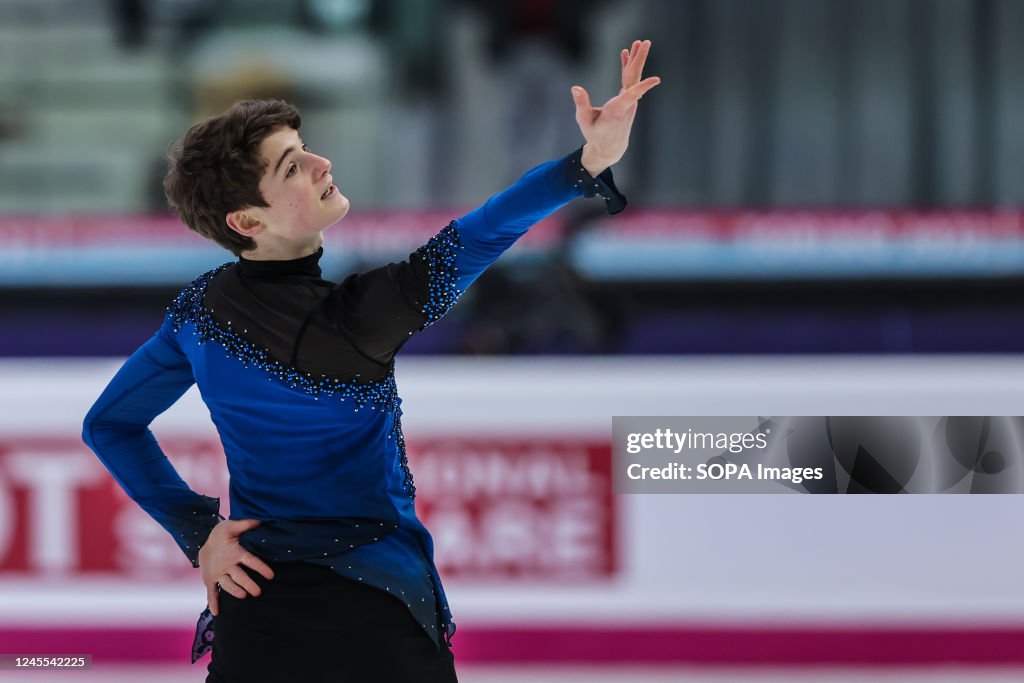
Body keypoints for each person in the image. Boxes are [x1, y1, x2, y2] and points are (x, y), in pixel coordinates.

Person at [82, 40, 659, 683]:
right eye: (293, 166)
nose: (323, 162)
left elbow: (108, 425)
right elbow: (482, 232)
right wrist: (587, 162)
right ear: (247, 219)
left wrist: (197, 531)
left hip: (257, 616)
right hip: (377, 616)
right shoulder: (361, 317)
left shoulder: (200, 312)